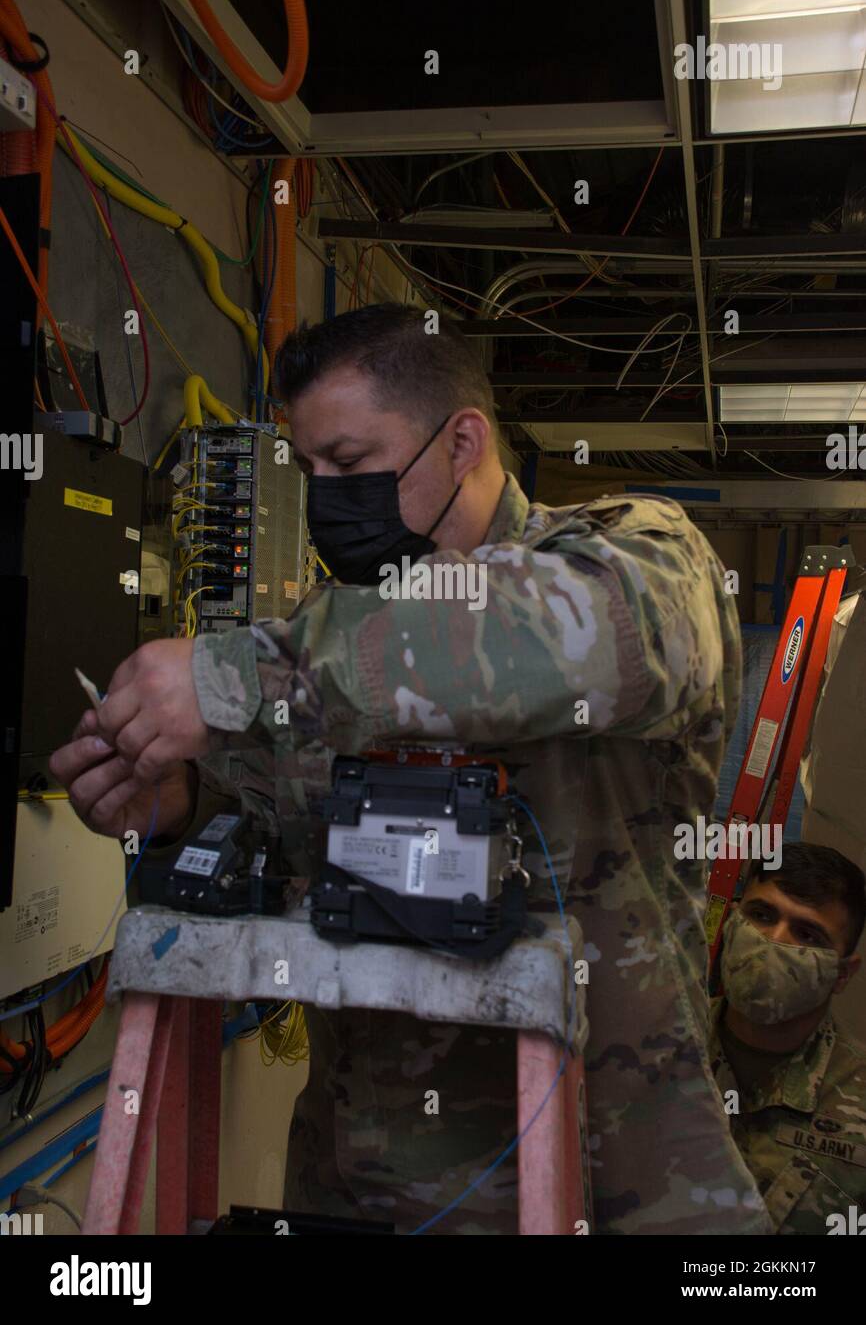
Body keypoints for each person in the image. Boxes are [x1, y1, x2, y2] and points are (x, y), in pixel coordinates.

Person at [50, 303, 770, 1235]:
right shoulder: (340, 629)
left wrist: (239, 676)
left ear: (461, 440)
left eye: (348, 464)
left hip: (600, 1184)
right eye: (307, 471)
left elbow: (608, 643)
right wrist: (180, 803)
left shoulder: (630, 551)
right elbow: (299, 823)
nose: (324, 497)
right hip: (362, 1185)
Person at [710, 844, 866, 1234]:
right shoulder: (652, 1044)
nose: (774, 941)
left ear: (843, 974)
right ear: (731, 923)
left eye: (808, 933)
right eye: (761, 915)